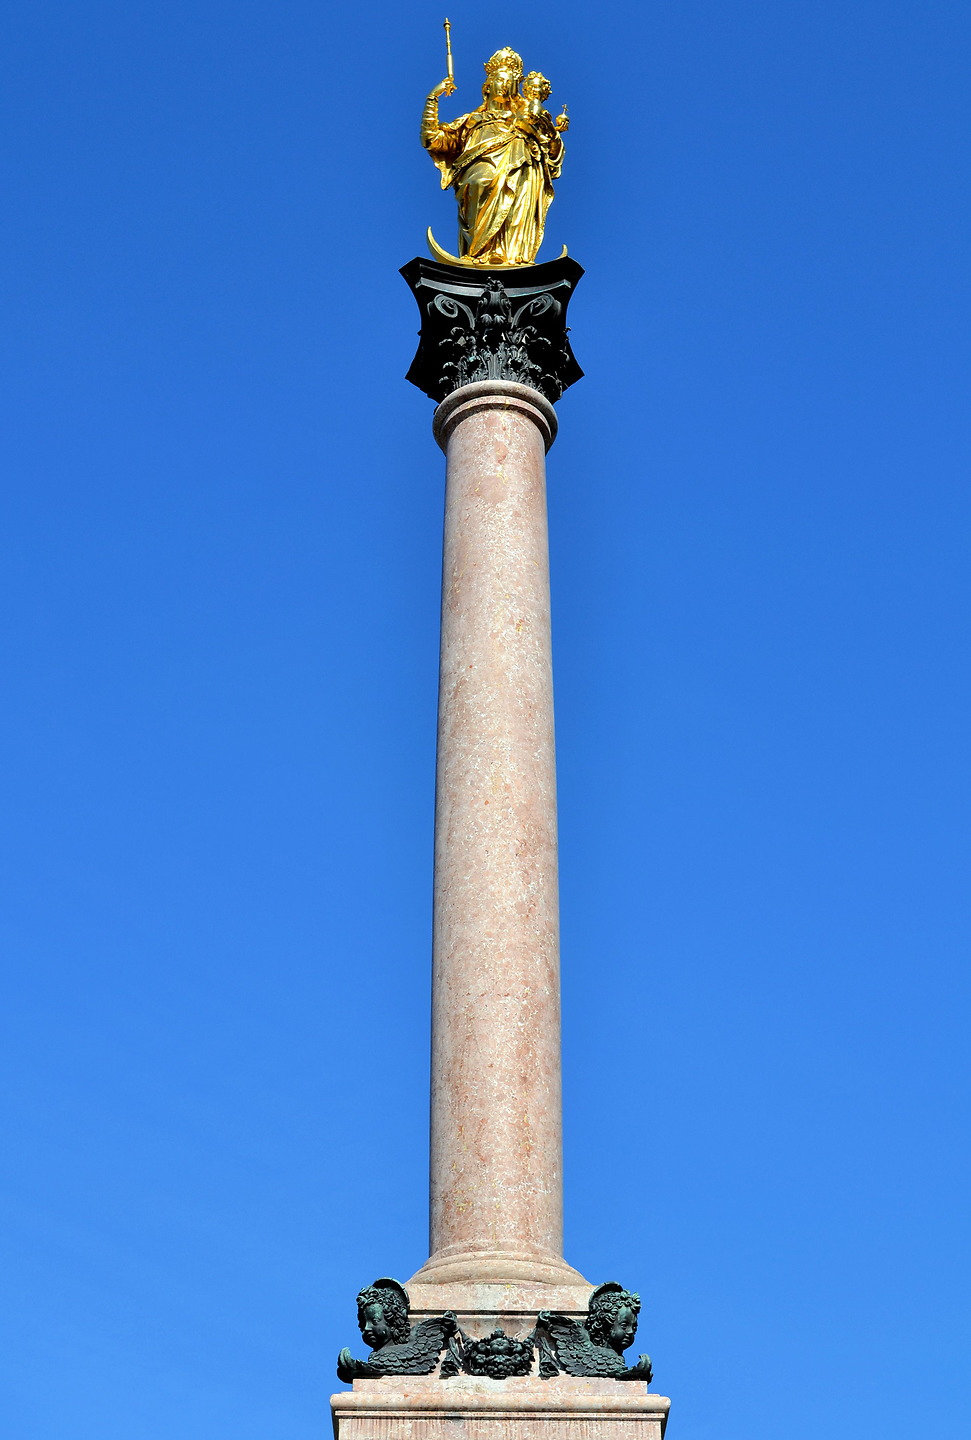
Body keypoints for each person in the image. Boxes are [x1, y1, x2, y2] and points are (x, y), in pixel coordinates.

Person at [421, 48, 568, 267]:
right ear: (488, 86)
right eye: (500, 79)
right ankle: (477, 253)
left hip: (522, 167)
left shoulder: (523, 118)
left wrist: (550, 134)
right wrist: (433, 99)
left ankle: (514, 255)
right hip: (479, 167)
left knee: (518, 203)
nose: (505, 85)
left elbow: (554, 153)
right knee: (478, 182)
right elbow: (432, 140)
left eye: (510, 82)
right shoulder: (472, 120)